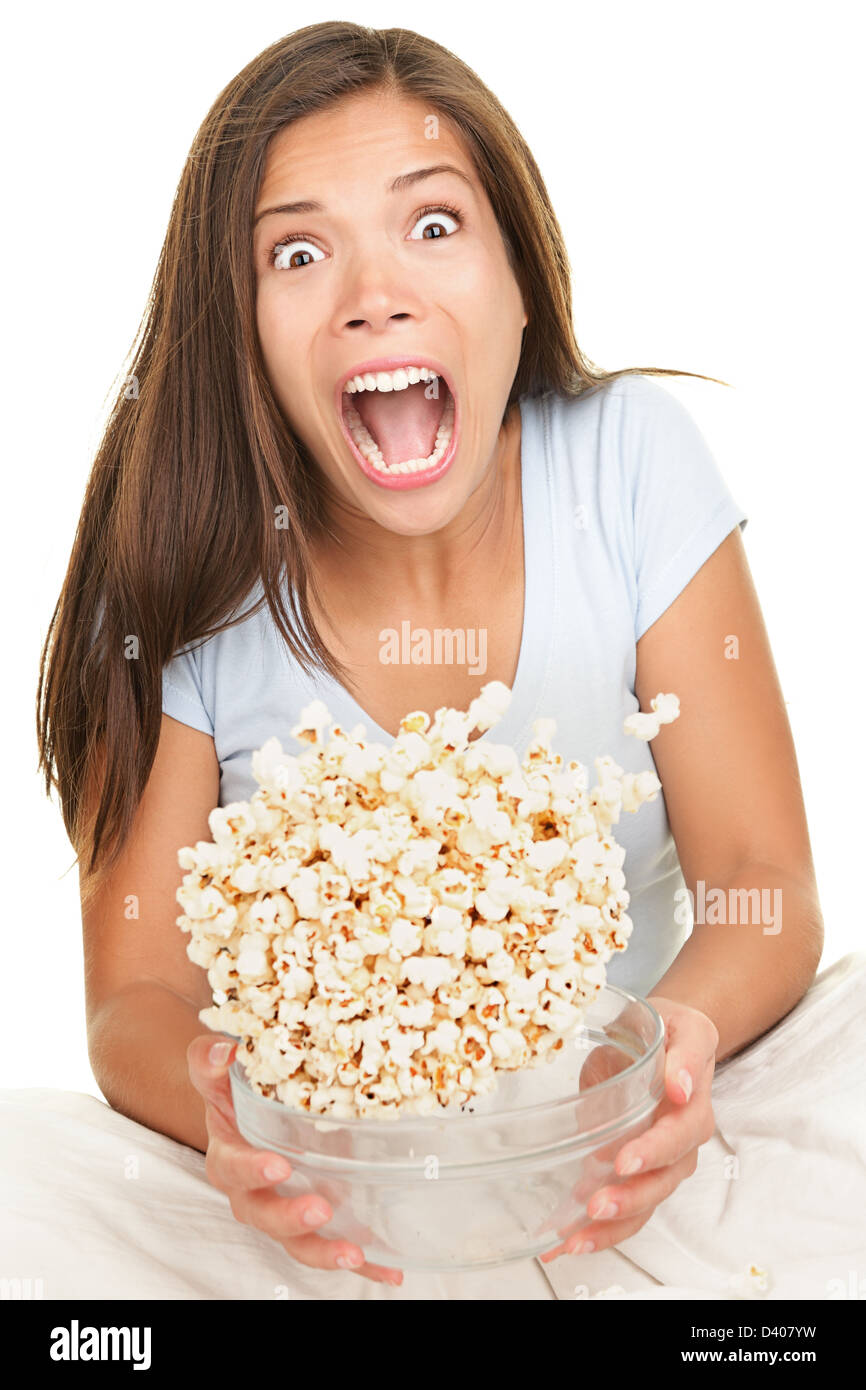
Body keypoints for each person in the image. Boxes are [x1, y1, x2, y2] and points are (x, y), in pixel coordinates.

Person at [37, 22, 824, 1291]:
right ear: (236, 332)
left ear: (520, 276)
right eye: (298, 252)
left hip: (621, 1146)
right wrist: (239, 1122)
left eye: (434, 225)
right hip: (327, 1192)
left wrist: (657, 1062)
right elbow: (133, 1001)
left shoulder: (626, 464)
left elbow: (760, 879)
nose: (375, 292)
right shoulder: (186, 589)